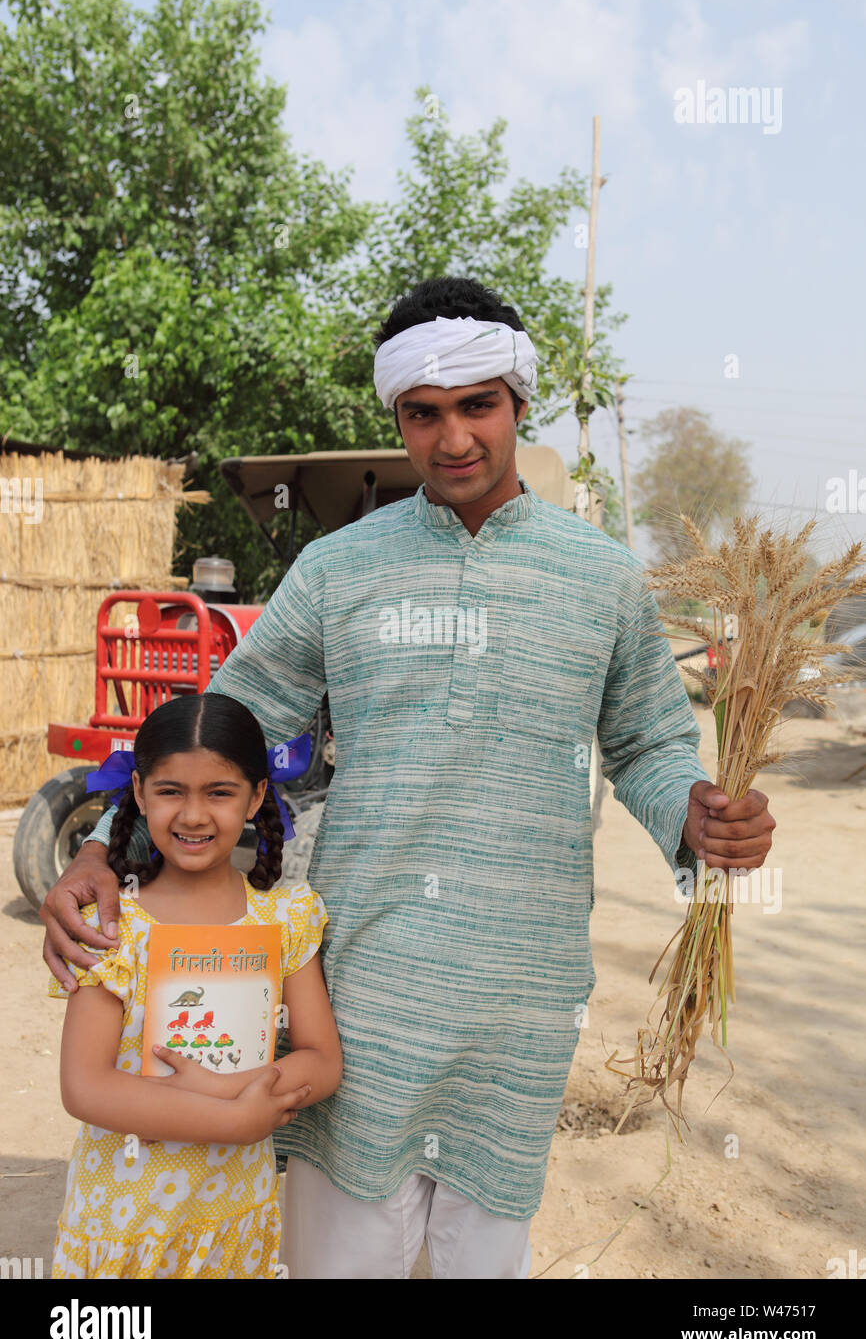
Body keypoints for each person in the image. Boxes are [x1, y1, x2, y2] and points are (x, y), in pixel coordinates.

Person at [42, 276, 776, 1280]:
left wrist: (694, 817)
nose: (453, 437)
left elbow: (648, 744)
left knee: (483, 1257)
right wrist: (100, 843)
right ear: (397, 417)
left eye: (477, 405)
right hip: (358, 995)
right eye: (422, 414)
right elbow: (223, 727)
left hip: (518, 998)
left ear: (519, 401)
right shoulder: (339, 570)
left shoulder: (601, 575)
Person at [47, 692, 342, 1278]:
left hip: (235, 1218)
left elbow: (322, 1060)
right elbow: (85, 1087)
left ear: (258, 796)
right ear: (138, 793)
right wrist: (233, 1118)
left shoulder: (282, 922)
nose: (193, 815)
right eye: (170, 791)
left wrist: (227, 1083)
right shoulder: (117, 929)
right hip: (125, 1221)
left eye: (220, 792)